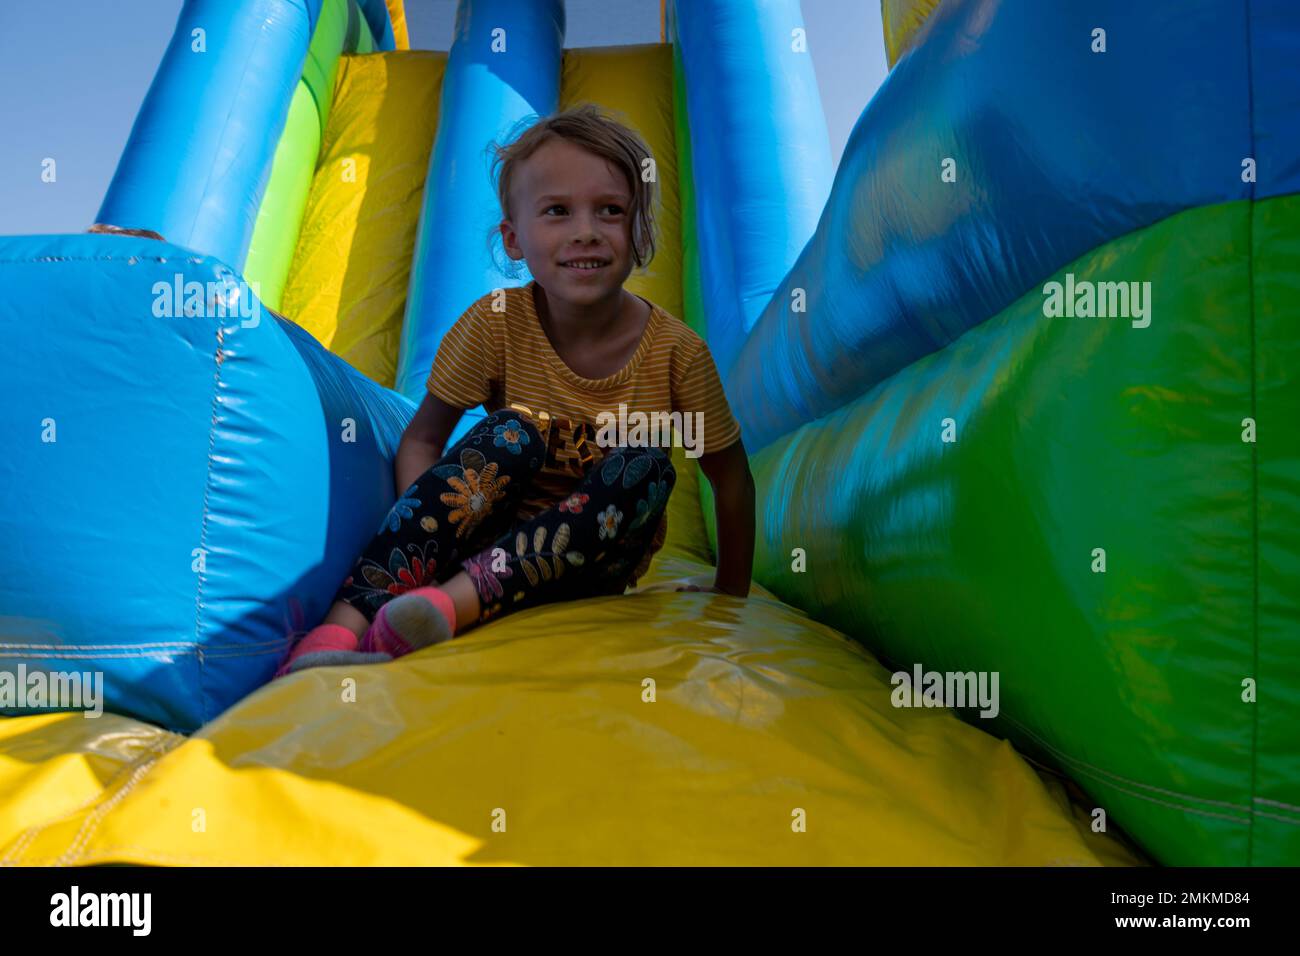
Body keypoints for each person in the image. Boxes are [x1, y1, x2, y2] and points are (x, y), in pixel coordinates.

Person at [276, 104, 756, 676]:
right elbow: (422, 441)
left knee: (647, 463)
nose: (586, 230)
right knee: (513, 431)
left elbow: (730, 480)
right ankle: (341, 629)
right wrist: (435, 541)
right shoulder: (497, 322)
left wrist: (729, 593)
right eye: (557, 211)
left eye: (611, 211)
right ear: (513, 239)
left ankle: (446, 608)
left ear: (641, 231)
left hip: (590, 563)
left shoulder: (678, 354)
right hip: (481, 547)